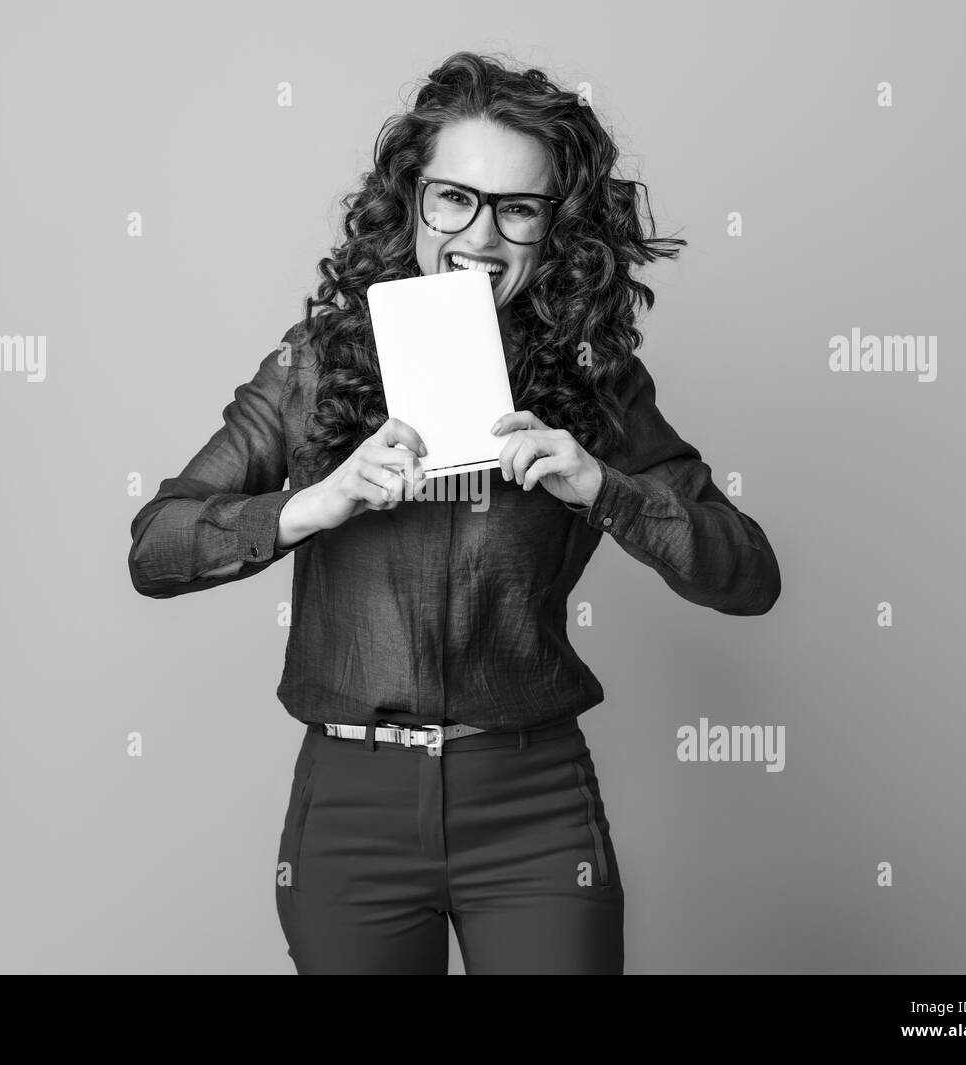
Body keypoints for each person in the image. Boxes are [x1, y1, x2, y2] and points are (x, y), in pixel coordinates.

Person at [127, 51, 781, 975]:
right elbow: (154, 550)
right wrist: (315, 502)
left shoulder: (595, 384)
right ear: (412, 202)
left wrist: (608, 489)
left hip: (532, 802)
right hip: (351, 805)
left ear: (557, 229)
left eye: (517, 206)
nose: (480, 232)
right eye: (453, 198)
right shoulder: (318, 366)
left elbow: (749, 574)